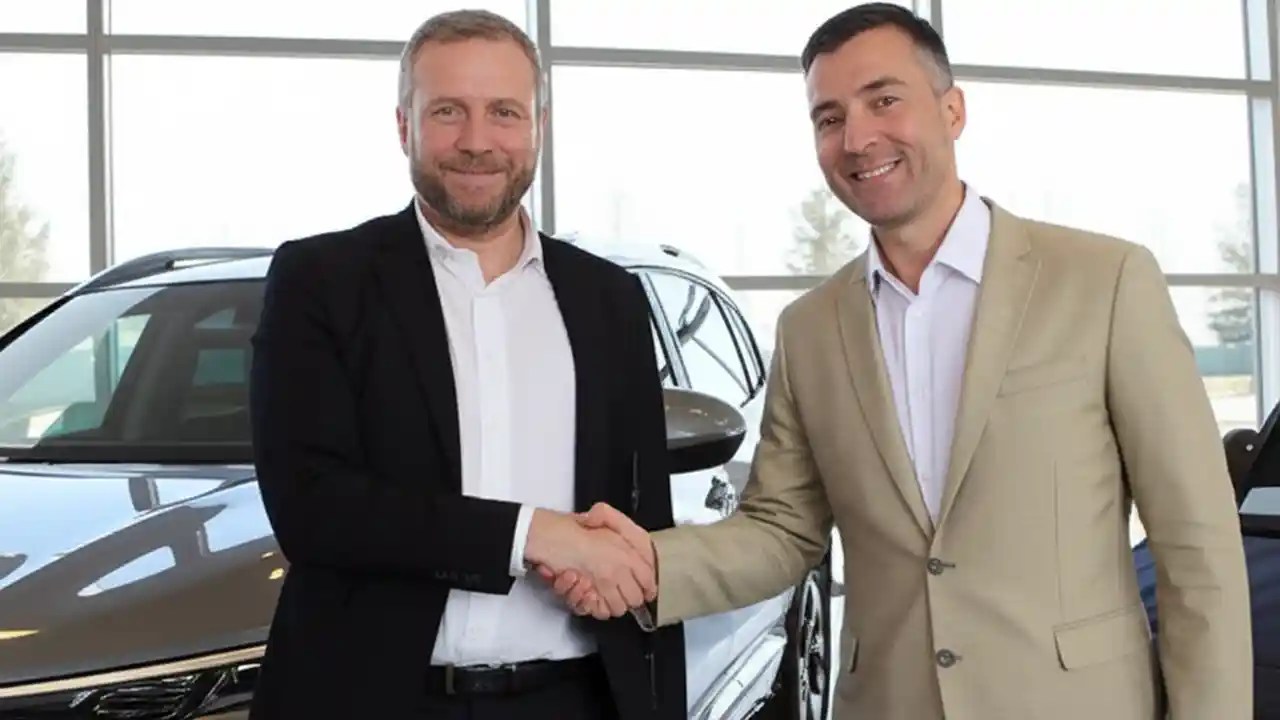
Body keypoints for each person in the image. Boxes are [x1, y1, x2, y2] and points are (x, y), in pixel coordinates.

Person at [548, 4, 1253, 718]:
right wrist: (646, 565)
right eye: (829, 118)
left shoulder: (1106, 282)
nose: (857, 138)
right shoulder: (810, 330)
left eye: (884, 100)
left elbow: (1196, 541)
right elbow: (784, 530)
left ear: (953, 110)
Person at [247, 9, 685, 720]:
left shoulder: (609, 298)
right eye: (448, 111)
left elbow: (641, 523)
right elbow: (312, 505)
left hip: (577, 702)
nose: (477, 142)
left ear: (538, 125)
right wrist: (536, 534)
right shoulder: (321, 280)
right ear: (403, 126)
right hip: (372, 701)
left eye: (503, 112)